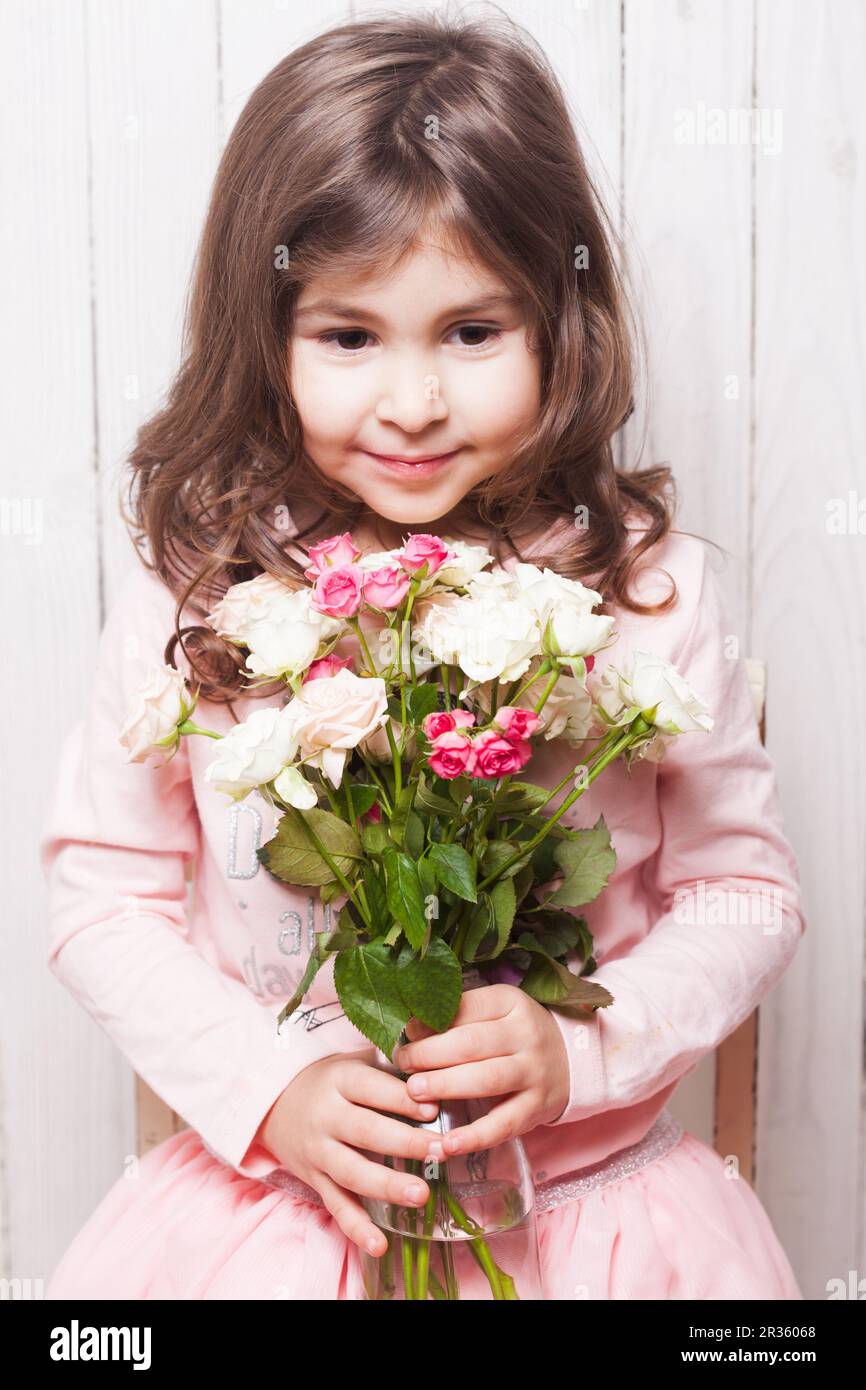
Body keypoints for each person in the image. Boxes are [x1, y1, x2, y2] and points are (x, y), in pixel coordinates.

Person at [41, 12, 805, 1300]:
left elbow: (745, 895)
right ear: (264, 332)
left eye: (472, 332)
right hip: (276, 1219)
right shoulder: (203, 587)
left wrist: (583, 1051)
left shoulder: (643, 588)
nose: (412, 403)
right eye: (349, 336)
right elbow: (103, 897)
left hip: (588, 1218)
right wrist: (265, 1087)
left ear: (562, 323)